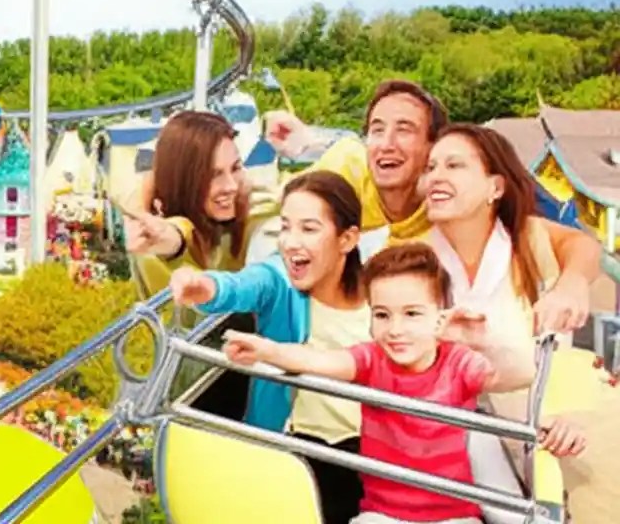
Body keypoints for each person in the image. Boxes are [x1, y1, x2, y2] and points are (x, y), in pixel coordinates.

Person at [222, 243, 537, 524]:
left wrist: (479, 339)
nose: (395, 329)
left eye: (412, 314)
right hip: (382, 513)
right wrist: (266, 349)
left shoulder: (458, 362)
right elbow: (316, 360)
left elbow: (520, 373)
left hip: (451, 515)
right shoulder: (371, 359)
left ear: (439, 317)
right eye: (382, 315)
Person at [266, 79, 596, 333]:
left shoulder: (455, 213)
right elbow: (277, 204)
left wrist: (572, 284)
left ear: (430, 147)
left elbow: (573, 242)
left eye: (404, 130)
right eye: (377, 130)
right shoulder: (347, 167)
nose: (386, 143)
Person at [421, 123, 598, 523]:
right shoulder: (417, 260)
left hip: (548, 422)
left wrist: (571, 284)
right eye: (431, 167)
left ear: (495, 187)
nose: (436, 177)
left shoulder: (526, 241)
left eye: (454, 165)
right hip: (460, 441)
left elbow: (583, 246)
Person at [169, 170, 366, 524]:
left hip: (363, 458)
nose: (291, 242)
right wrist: (205, 287)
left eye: (308, 229)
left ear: (347, 239)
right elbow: (246, 284)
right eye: (285, 227)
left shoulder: (379, 303)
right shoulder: (282, 284)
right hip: (292, 455)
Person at [124, 111, 270, 295]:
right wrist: (172, 245)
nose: (231, 186)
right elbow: (178, 238)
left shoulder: (244, 208)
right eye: (213, 175)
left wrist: (307, 146)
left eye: (235, 167)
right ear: (183, 181)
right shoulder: (154, 248)